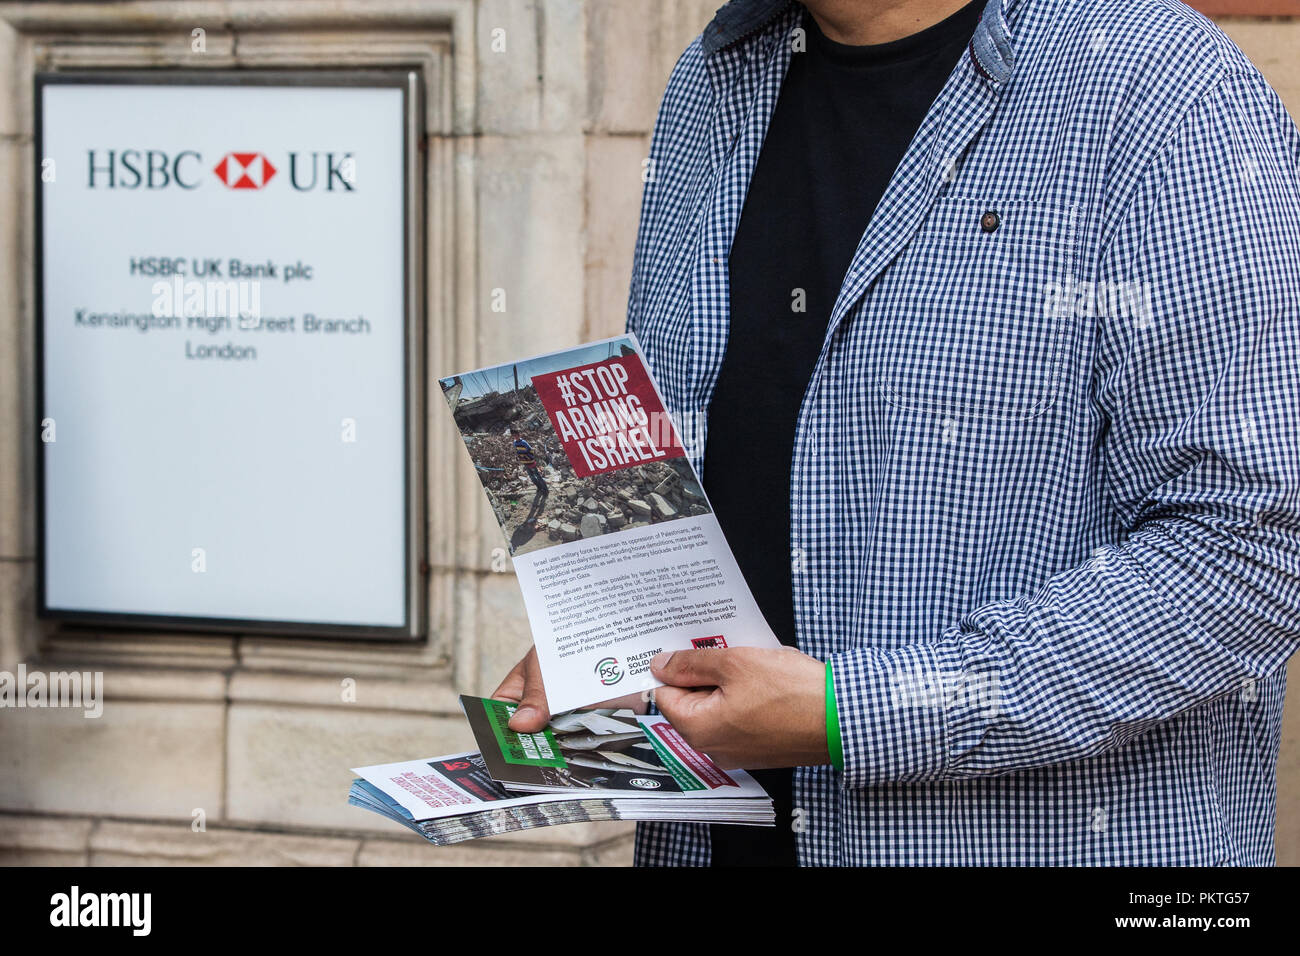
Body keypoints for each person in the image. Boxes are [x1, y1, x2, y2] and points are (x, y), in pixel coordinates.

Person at [495, 0, 1300, 866]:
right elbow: (694, 459)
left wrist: (852, 715)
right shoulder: (712, 80)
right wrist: (608, 641)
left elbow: (1250, 547)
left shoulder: (1160, 87)